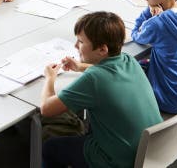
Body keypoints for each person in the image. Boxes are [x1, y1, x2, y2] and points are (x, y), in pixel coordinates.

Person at [40, 11, 162, 168]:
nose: (76, 46)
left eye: (81, 42)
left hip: (118, 161)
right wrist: (79, 66)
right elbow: (108, 71)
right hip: (152, 152)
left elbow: (46, 108)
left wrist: (50, 78)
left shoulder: (94, 78)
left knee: (51, 148)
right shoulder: (129, 60)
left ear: (102, 50)